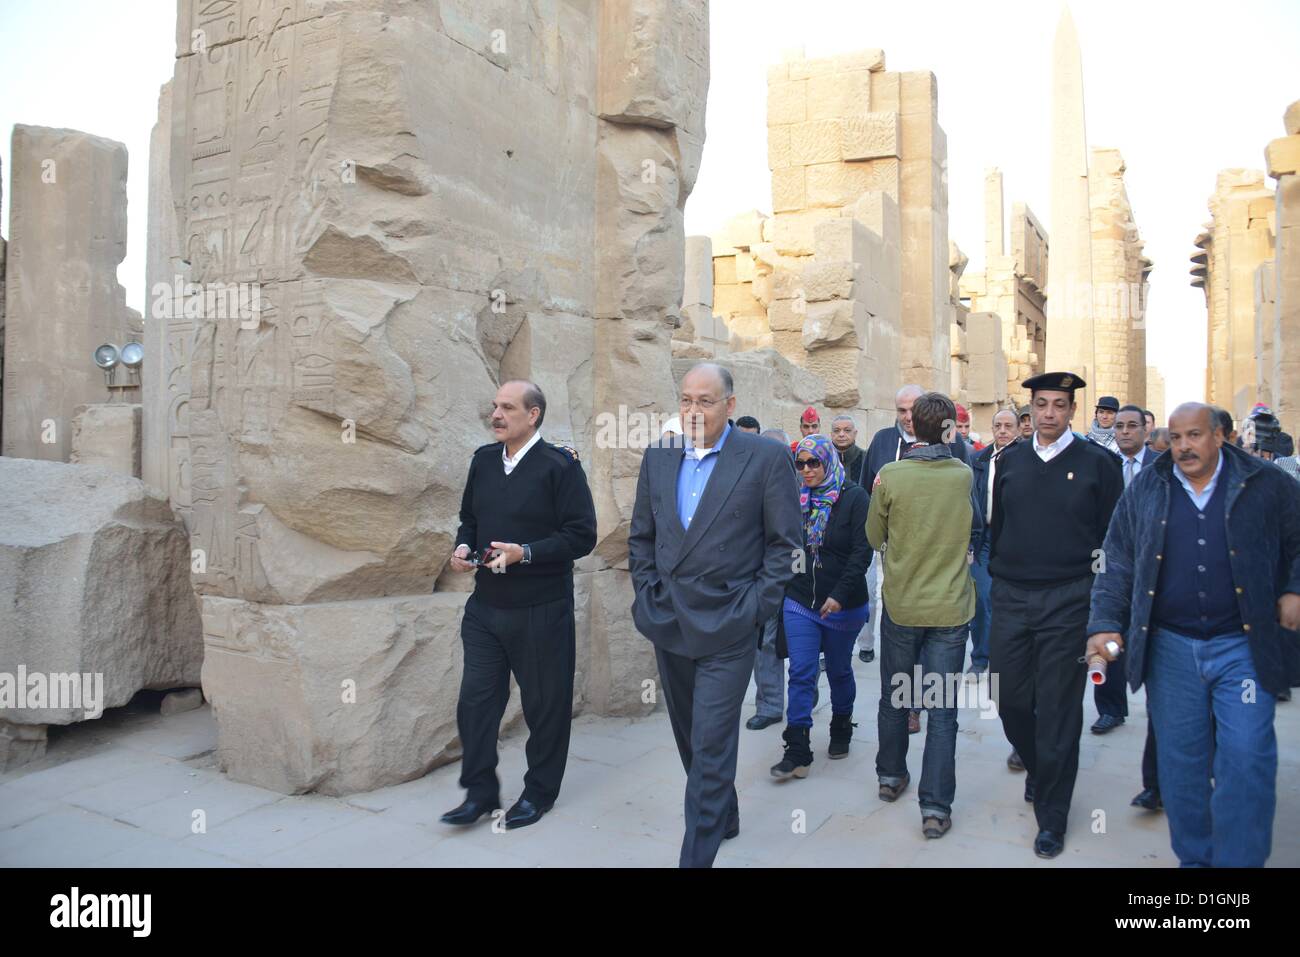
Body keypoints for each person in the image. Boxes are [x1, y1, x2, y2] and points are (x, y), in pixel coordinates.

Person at [1087, 402, 1300, 867]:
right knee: (1181, 767)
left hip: (1242, 647)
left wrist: (1294, 589)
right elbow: (1116, 555)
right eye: (1177, 436)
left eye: (1195, 435)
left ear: (1220, 436)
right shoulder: (1149, 486)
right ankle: (1197, 862)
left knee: (1247, 759)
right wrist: (1104, 622)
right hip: (1170, 650)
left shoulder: (1266, 484)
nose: (1184, 446)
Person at [628, 362, 803, 868]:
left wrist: (754, 609)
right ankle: (723, 811)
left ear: (729, 404)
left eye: (705, 401)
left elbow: (785, 546)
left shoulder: (765, 457)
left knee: (711, 742)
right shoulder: (659, 456)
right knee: (688, 736)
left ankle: (695, 856)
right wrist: (647, 591)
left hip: (729, 625)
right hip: (669, 620)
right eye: (685, 400)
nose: (693, 410)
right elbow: (641, 535)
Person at [441, 380, 598, 830]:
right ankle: (479, 793)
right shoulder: (483, 461)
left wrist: (523, 553)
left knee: (545, 706)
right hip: (486, 608)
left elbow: (582, 535)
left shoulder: (560, 467)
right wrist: (463, 549)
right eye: (494, 406)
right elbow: (469, 519)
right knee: (476, 703)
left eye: (507, 408)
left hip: (541, 610)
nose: (496, 414)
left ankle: (539, 794)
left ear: (533, 415)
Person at [988, 371, 1123, 858]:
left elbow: (1113, 539)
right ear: (1031, 410)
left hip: (1069, 600)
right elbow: (998, 525)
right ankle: (1042, 769)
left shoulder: (1098, 463)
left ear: (1071, 410)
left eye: (1059, 405)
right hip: (1011, 596)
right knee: (1008, 696)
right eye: (1041, 405)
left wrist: (1104, 604)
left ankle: (1052, 817)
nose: (1049, 413)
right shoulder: (1009, 461)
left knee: (1060, 712)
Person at [867, 392, 979, 839]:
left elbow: (875, 535)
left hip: (904, 605)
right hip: (950, 608)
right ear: (949, 429)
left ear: (912, 426)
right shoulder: (963, 475)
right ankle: (935, 807)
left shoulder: (890, 475)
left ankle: (890, 776)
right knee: (943, 710)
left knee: (896, 695)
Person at [770, 435, 872, 779]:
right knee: (801, 672)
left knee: (840, 670)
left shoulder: (854, 498)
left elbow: (862, 553)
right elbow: (784, 546)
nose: (807, 470)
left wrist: (840, 594)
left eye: (814, 463)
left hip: (843, 604)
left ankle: (842, 723)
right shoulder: (795, 499)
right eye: (800, 464)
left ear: (828, 461)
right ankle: (798, 747)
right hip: (800, 600)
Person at [857, 385, 971, 681]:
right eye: (901, 410)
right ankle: (913, 706)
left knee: (918, 685)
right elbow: (869, 492)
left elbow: (966, 506)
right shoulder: (883, 441)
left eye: (912, 410)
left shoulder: (956, 455)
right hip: (904, 579)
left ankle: (916, 703)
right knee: (915, 689)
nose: (907, 417)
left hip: (939, 584)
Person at [1091, 404, 1161, 734]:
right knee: (1109, 633)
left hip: (1151, 565)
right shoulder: (1102, 464)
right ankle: (1110, 708)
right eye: (1120, 426)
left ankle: (1160, 708)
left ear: (1146, 430)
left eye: (1133, 426)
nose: (1125, 432)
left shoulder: (1162, 468)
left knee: (1150, 640)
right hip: (1109, 564)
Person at [747, 427, 795, 731]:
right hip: (765, 576)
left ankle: (807, 695)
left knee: (806, 645)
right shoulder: (752, 486)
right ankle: (770, 704)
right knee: (765, 642)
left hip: (804, 580)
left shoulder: (809, 481)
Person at [968, 408, 1019, 676]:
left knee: (1009, 600)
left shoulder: (1026, 458)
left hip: (1013, 538)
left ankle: (1008, 658)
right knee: (981, 598)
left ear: (1018, 429)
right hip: (982, 538)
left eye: (1008, 426)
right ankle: (980, 658)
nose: (1002, 431)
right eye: (998, 425)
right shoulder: (979, 458)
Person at [829, 414, 866, 484]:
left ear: (855, 434)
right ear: (831, 434)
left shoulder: (866, 458)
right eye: (837, 431)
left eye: (847, 430)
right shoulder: (825, 458)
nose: (841, 434)